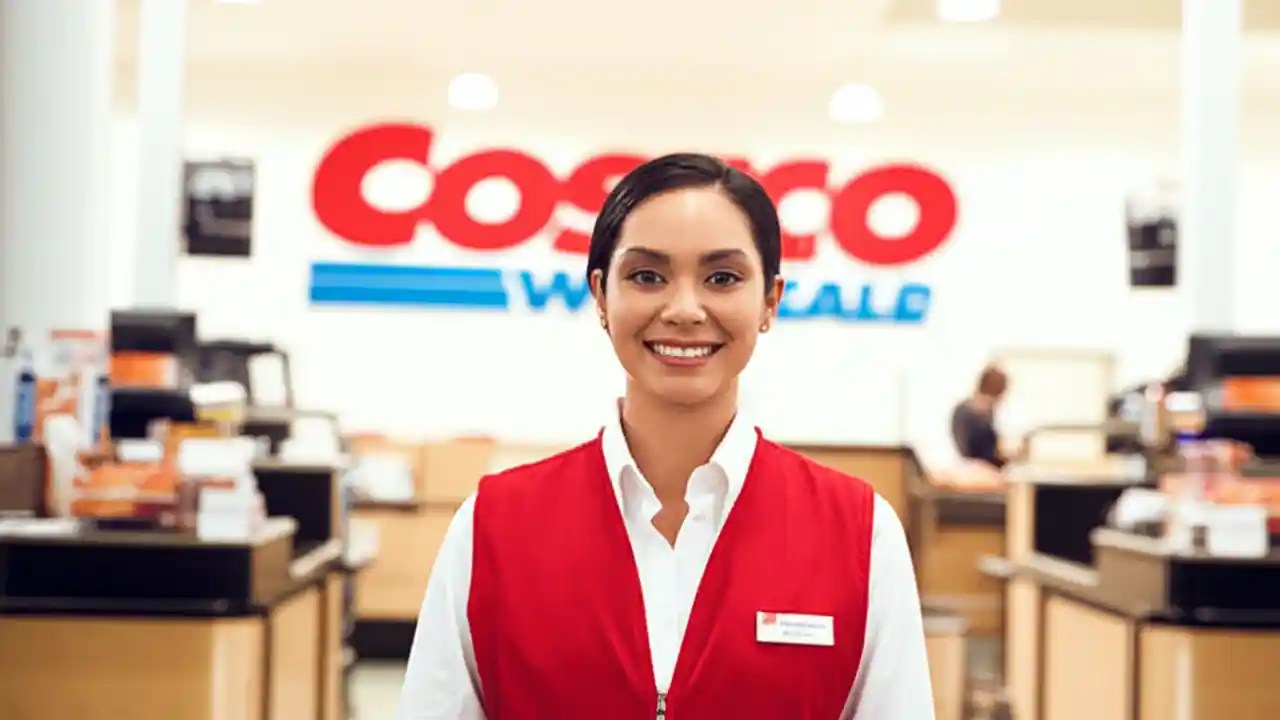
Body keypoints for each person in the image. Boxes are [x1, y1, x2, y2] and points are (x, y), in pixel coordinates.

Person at [396, 153, 934, 719]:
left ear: (770, 301)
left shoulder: (858, 534)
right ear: (602, 296)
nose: (683, 309)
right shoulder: (492, 528)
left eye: (722, 278)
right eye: (647, 276)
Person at [951, 364, 1015, 468]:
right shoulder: (969, 414)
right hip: (978, 469)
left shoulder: (984, 413)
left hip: (980, 467)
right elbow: (974, 452)